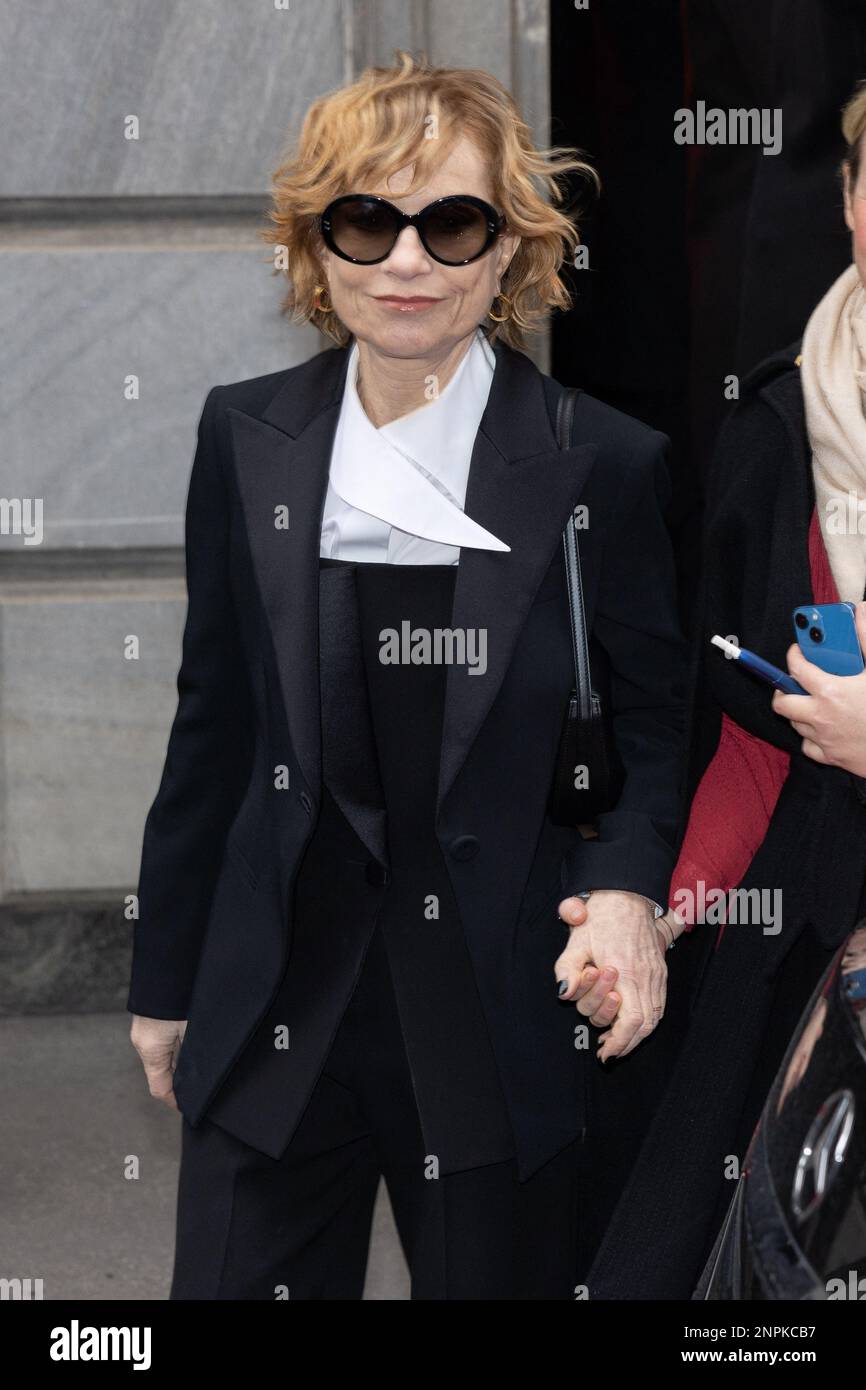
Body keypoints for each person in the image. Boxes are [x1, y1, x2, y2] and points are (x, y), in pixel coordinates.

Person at [127, 51, 689, 1300]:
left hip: (492, 1017)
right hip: (275, 1000)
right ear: (314, 248)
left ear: (509, 251)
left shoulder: (602, 461)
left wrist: (622, 898)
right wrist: (166, 980)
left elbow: (651, 728)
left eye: (452, 222)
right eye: (366, 220)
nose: (406, 260)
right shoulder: (247, 437)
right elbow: (212, 724)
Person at [587, 77, 866, 1300]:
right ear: (850, 201)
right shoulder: (770, 426)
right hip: (794, 949)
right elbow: (749, 745)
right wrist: (658, 908)